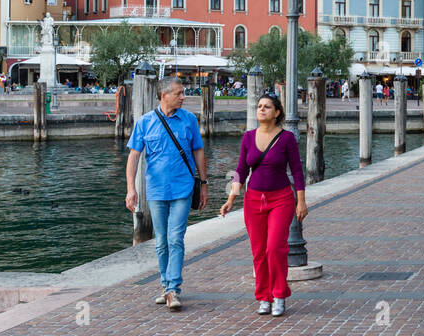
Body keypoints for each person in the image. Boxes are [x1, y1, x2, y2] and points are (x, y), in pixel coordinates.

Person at [219, 91, 307, 316]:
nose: (261, 109)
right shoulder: (248, 137)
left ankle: (279, 294)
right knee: (259, 251)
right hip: (253, 200)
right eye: (259, 106)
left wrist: (301, 201)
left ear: (277, 113)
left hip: (281, 199)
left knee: (275, 248)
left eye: (267, 106)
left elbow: (297, 170)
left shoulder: (286, 138)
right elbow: (240, 170)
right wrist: (231, 199)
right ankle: (263, 297)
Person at [124, 77, 207, 311]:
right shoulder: (144, 123)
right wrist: (131, 189)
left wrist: (204, 183)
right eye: (179, 93)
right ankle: (165, 285)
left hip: (183, 188)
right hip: (156, 191)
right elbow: (133, 158)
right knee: (161, 242)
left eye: (183, 93)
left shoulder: (189, 120)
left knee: (175, 239)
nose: (183, 97)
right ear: (164, 95)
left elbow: (198, 152)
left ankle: (173, 289)